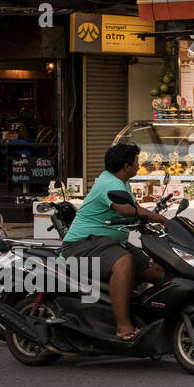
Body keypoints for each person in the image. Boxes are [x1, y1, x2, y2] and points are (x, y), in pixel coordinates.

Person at [60, 143, 168, 341]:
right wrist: (159, 218)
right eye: (136, 161)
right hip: (82, 244)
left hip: (108, 243)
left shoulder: (122, 181)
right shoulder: (110, 183)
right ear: (126, 165)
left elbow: (134, 210)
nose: (138, 164)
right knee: (124, 262)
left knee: (157, 270)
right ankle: (123, 327)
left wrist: (148, 231)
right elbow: (125, 210)